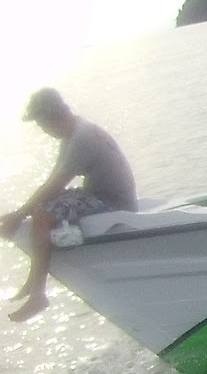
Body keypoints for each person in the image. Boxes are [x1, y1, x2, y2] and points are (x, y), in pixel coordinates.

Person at [3, 89, 138, 322]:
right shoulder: (73, 134)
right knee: (40, 209)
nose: (43, 131)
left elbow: (56, 184)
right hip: (98, 194)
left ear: (50, 118)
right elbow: (52, 181)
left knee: (43, 216)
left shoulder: (81, 138)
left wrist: (19, 214)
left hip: (114, 201)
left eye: (41, 125)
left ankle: (38, 294)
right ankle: (33, 281)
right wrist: (20, 212)